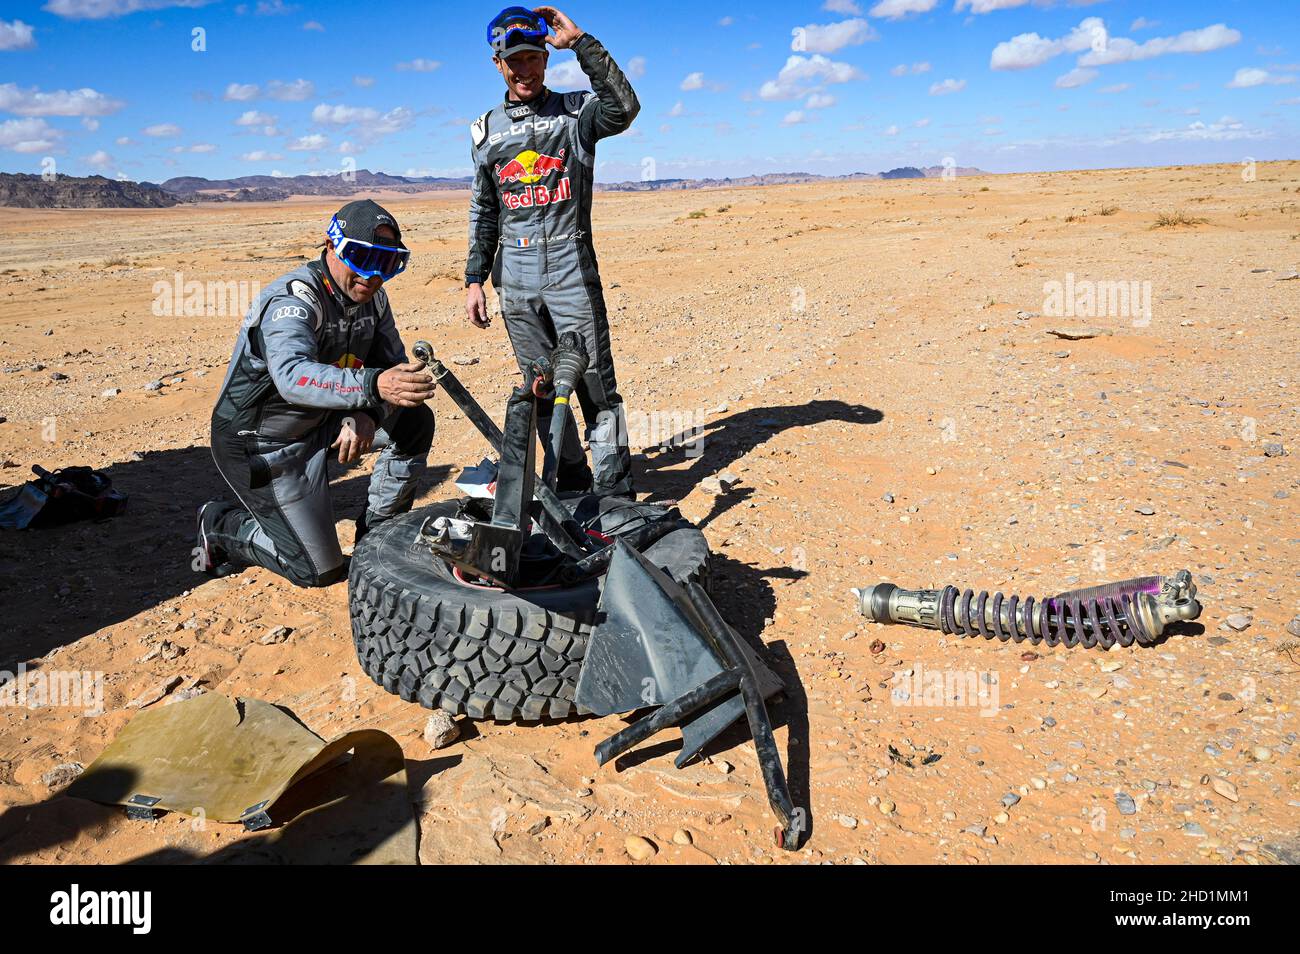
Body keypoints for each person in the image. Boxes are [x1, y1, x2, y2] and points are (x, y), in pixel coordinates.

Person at [197, 199, 437, 587]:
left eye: (388, 264)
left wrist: (369, 414)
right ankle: (221, 525)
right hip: (262, 444)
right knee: (318, 571)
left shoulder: (372, 298)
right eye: (360, 257)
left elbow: (393, 369)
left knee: (413, 418)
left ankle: (378, 537)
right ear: (331, 246)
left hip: (323, 425)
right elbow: (291, 376)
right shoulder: (292, 301)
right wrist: (372, 387)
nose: (372, 276)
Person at [465, 5, 639, 497]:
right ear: (498, 62)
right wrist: (475, 278)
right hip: (514, 281)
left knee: (595, 387)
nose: (525, 69)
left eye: (534, 57)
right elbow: (484, 208)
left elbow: (625, 109)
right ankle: (572, 483)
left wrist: (582, 43)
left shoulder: (577, 112)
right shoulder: (484, 130)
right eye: (514, 60)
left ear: (545, 57)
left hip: (569, 269)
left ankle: (615, 493)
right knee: (541, 389)